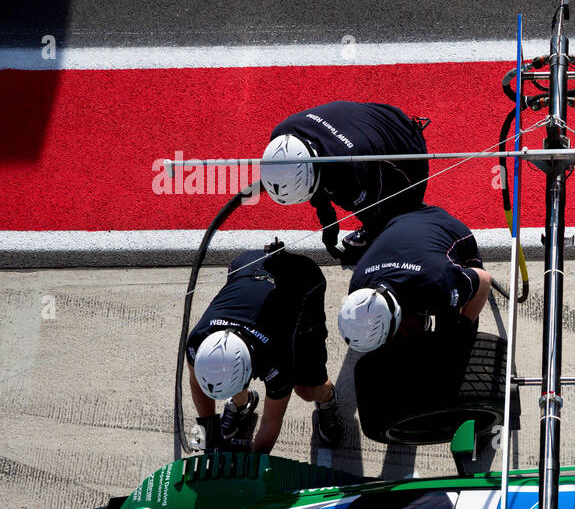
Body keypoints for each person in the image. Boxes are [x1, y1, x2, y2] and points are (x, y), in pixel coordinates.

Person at [187, 249, 343, 453]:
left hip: (303, 281)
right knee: (228, 378)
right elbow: (197, 384)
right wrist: (209, 434)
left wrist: (254, 465)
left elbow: (271, 421)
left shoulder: (277, 360)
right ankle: (241, 402)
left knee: (306, 389)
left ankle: (328, 398)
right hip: (247, 266)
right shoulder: (197, 341)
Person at [260, 101, 431, 263]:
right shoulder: (282, 134)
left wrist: (373, 233)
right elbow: (316, 185)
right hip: (366, 120)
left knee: (401, 209)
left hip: (405, 143)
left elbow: (369, 210)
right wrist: (329, 224)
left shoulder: (348, 171)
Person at [337, 205, 492, 356]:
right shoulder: (357, 286)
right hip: (400, 224)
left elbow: (484, 281)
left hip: (447, 230)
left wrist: (463, 326)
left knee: (450, 333)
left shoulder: (438, 285)